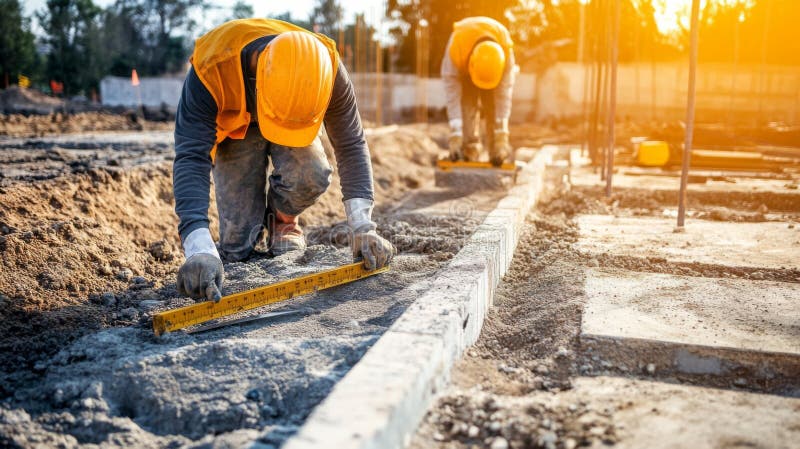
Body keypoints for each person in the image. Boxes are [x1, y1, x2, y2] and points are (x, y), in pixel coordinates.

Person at [172, 18, 395, 302]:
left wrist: (363, 227)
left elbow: (351, 143)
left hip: (290, 107)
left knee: (311, 172)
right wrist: (198, 247)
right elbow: (192, 157)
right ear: (257, 78)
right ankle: (244, 234)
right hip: (235, 126)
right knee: (237, 245)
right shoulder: (210, 70)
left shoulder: (327, 68)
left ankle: (283, 222)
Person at [441, 16, 516, 166]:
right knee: (467, 105)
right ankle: (470, 149)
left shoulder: (506, 54)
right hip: (466, 69)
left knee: (493, 107)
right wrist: (456, 133)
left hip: (492, 71)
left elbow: (503, 97)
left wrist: (502, 134)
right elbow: (453, 95)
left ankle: (497, 151)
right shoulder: (456, 48)